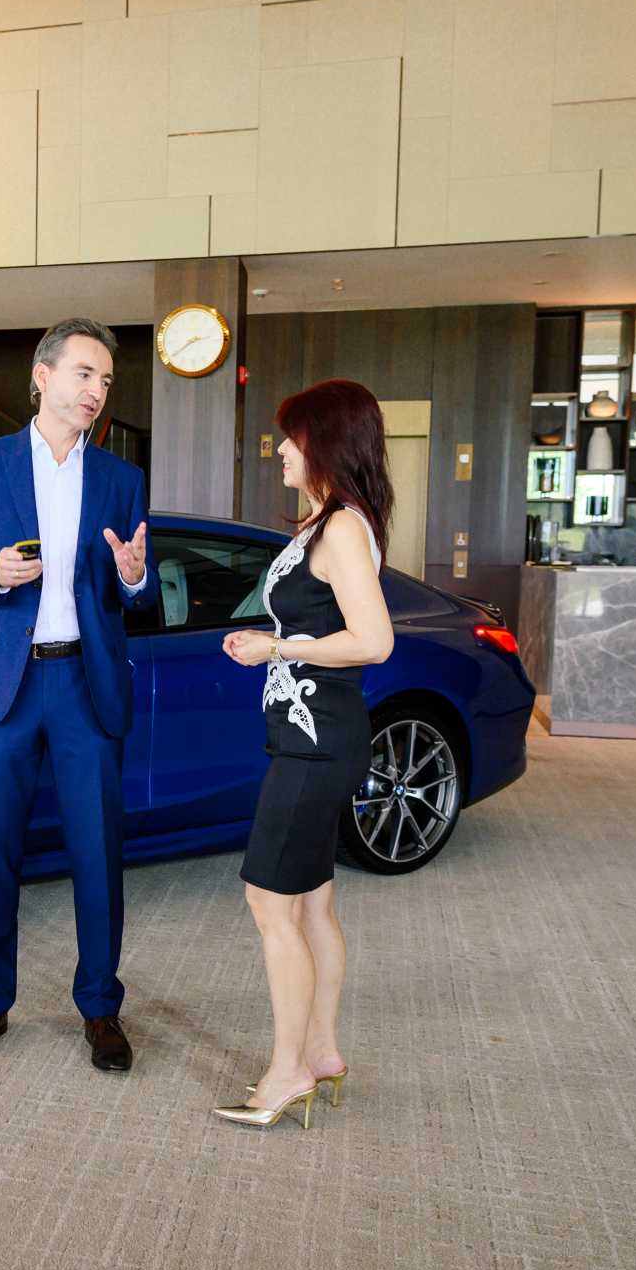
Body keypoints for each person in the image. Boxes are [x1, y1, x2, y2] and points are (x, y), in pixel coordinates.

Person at [0, 317, 159, 1072]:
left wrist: (131, 577)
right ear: (42, 376)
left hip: (84, 684)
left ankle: (100, 1006)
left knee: (99, 852)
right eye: (85, 375)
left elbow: (135, 592)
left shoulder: (122, 479)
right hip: (4, 685)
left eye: (106, 382)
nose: (96, 392)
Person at [213, 379, 396, 1129]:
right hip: (314, 736)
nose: (281, 449)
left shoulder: (343, 528)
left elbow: (374, 641)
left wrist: (277, 647)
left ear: (324, 443)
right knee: (313, 902)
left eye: (291, 437)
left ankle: (287, 1072)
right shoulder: (327, 523)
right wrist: (268, 642)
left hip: (317, 746)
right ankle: (320, 1052)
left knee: (269, 905)